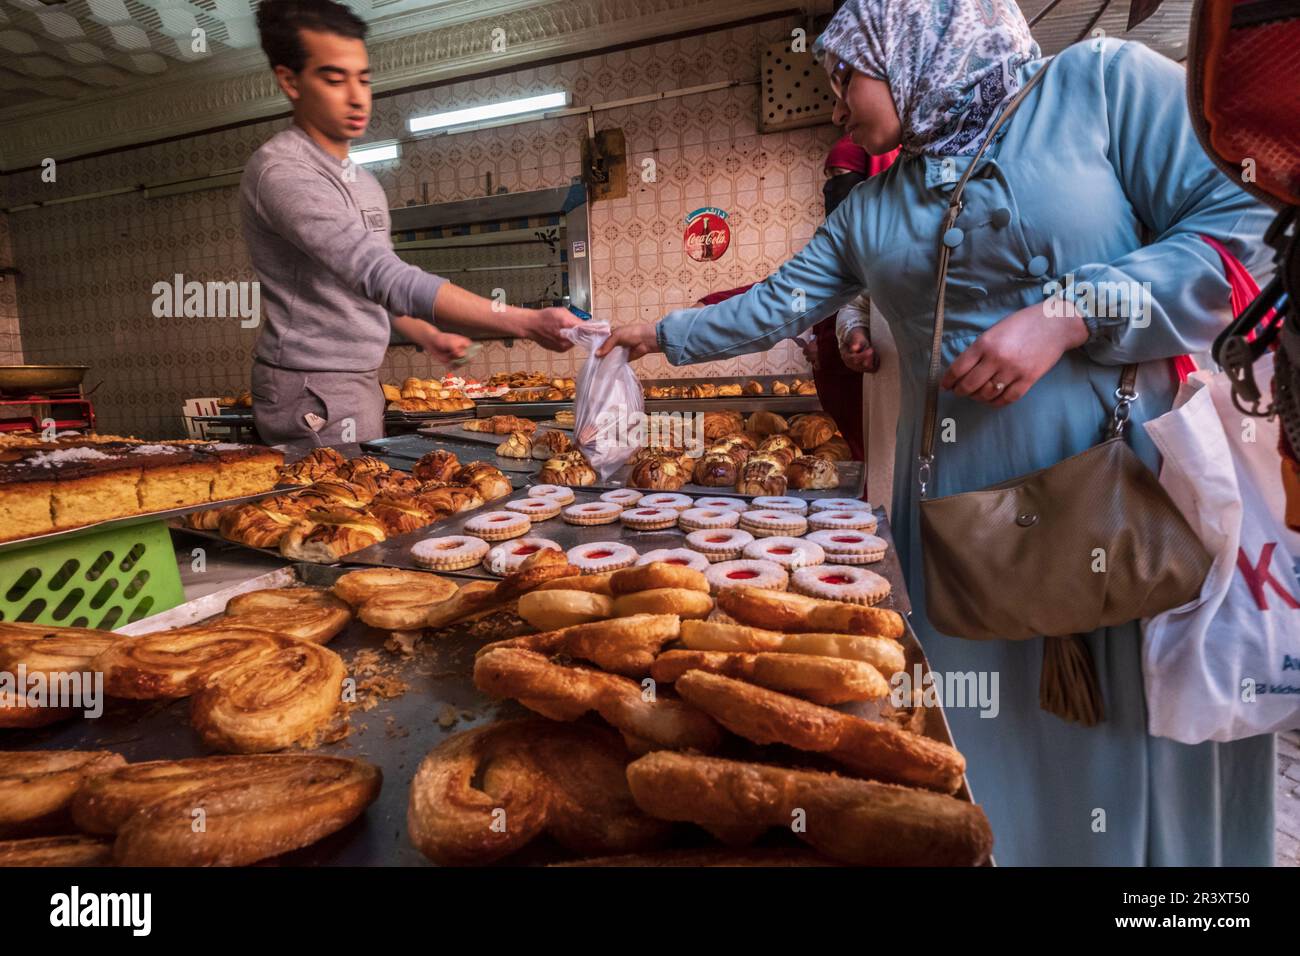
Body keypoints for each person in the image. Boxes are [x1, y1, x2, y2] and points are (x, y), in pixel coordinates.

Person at [597, 0, 1277, 865]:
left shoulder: (1098, 88)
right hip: (960, 514)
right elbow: (779, 299)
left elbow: (1242, 228)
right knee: (978, 733)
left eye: (846, 75)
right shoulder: (875, 206)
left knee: (1131, 722)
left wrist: (1072, 312)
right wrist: (654, 336)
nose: (836, 102)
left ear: (913, 42)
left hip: (1119, 492)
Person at [243, 0, 580, 448]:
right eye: (333, 78)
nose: (357, 96)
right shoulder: (282, 172)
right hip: (310, 387)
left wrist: (424, 333)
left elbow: (370, 287)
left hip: (357, 378)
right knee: (336, 509)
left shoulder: (362, 181)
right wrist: (520, 320)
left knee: (370, 499)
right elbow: (381, 274)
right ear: (290, 81)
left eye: (363, 78)